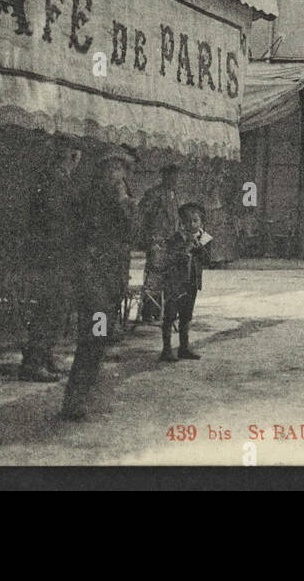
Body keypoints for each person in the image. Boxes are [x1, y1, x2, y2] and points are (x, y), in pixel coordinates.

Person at [61, 149, 137, 421]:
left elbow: (130, 231)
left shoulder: (118, 204)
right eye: (116, 172)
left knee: (98, 339)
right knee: (93, 337)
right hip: (94, 281)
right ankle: (76, 399)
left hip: (108, 281)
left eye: (122, 173)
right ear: (105, 173)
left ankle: (81, 397)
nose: (120, 178)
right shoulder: (94, 203)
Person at [19, 137, 82, 382]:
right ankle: (34, 361)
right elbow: (55, 218)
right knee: (49, 307)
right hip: (53, 254)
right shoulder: (54, 180)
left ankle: (43, 356)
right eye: (74, 156)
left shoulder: (57, 178)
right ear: (72, 156)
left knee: (56, 308)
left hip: (57, 253)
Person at [160, 202, 213, 361]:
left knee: (186, 315)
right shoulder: (177, 237)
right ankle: (167, 349)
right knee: (170, 314)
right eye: (188, 221)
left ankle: (184, 347)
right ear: (182, 222)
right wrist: (185, 249)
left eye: (195, 220)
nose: (192, 224)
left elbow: (208, 260)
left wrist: (200, 249)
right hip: (175, 281)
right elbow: (169, 257)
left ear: (201, 221)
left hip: (192, 281)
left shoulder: (204, 238)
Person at [138, 163, 184, 324]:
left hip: (171, 240)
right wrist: (148, 236)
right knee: (154, 275)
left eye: (176, 176)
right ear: (165, 176)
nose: (175, 179)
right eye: (172, 176)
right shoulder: (154, 194)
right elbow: (142, 213)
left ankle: (160, 310)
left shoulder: (174, 194)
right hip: (157, 239)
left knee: (168, 275)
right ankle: (147, 310)